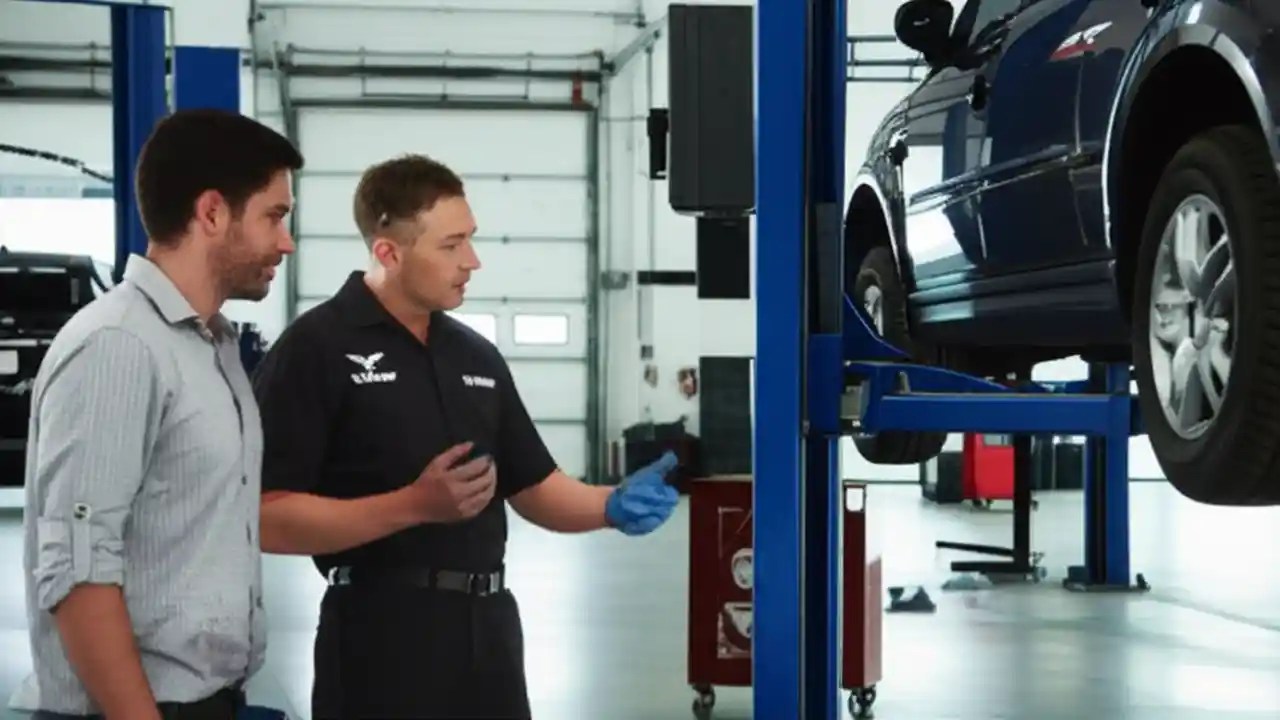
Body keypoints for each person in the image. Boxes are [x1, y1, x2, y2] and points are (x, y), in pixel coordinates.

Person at [251, 153, 680, 718]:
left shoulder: (474, 355)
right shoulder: (316, 349)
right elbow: (266, 517)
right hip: (381, 637)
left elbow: (534, 486)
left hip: (489, 633)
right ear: (388, 252)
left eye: (470, 240)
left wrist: (611, 504)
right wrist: (412, 505)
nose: (472, 261)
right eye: (451, 246)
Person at [21, 109, 303, 720]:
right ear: (211, 213)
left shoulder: (213, 345)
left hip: (207, 701)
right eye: (274, 216)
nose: (286, 241)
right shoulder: (120, 345)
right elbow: (78, 572)